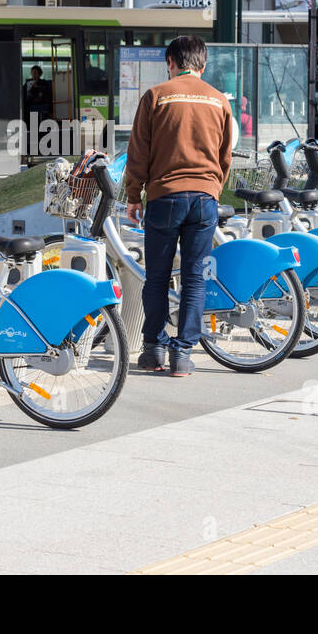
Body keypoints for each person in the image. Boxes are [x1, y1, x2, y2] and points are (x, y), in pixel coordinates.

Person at [123, 35, 232, 378]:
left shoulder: (156, 96)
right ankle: (182, 354)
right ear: (203, 64)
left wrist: (132, 195)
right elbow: (225, 157)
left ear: (170, 62)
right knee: (194, 277)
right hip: (204, 199)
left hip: (164, 196)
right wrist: (213, 189)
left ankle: (153, 350)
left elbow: (138, 152)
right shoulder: (219, 101)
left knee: (156, 278)